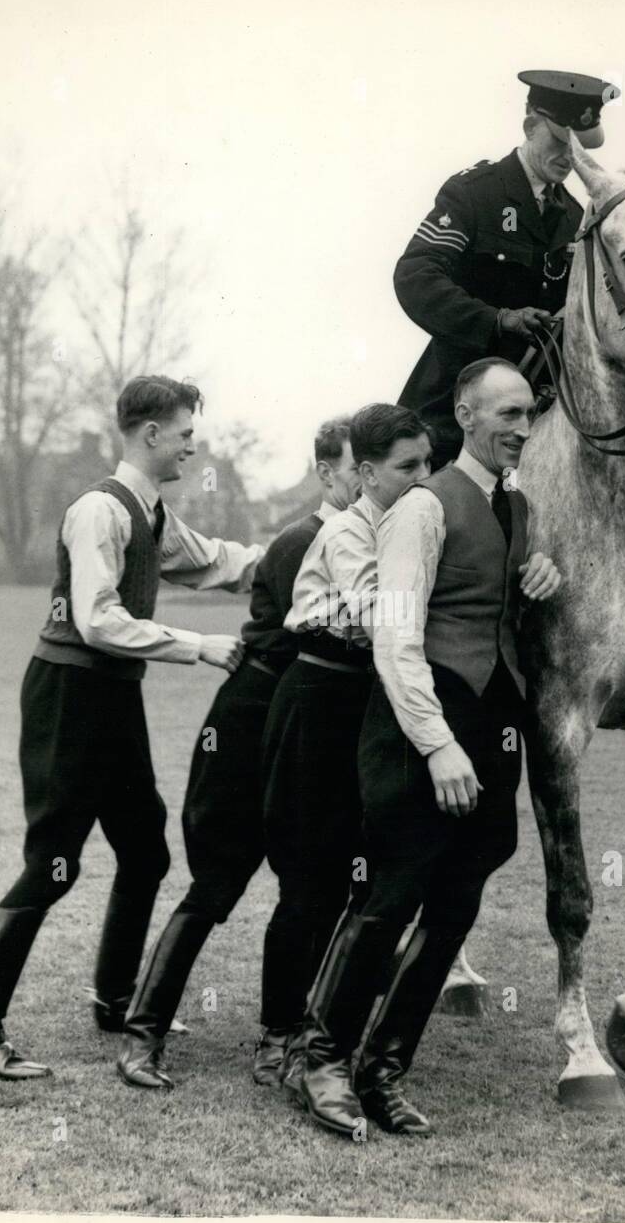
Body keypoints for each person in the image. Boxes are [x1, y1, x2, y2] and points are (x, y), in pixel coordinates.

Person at [0, 375, 262, 1080]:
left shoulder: (148, 513)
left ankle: (114, 999)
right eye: (185, 434)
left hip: (112, 696)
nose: (192, 447)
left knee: (145, 851)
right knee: (53, 863)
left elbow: (214, 562)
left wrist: (305, 550)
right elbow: (96, 619)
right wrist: (198, 645)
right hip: (70, 695)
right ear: (150, 435)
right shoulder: (100, 511)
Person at [393, 67, 625, 696]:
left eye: (580, 152)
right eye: (559, 146)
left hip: (551, 399)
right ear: (529, 126)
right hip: (460, 394)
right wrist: (494, 320)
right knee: (416, 493)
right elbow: (415, 277)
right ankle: (394, 639)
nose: (568, 161)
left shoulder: (578, 217)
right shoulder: (473, 194)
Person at [293, 360, 562, 1137]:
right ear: (466, 416)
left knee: (455, 904)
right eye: (506, 413)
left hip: (490, 721)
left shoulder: (519, 505)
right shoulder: (421, 506)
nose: (521, 426)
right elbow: (396, 639)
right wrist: (439, 746)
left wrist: (539, 572)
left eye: (529, 413)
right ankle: (321, 1060)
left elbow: (499, 609)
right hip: (423, 723)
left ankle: (383, 1068)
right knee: (390, 897)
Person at [116, 417, 360, 1089]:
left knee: (308, 890)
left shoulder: (360, 542)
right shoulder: (304, 543)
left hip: (305, 735)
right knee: (216, 887)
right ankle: (143, 1035)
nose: (366, 483)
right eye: (352, 469)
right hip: (249, 730)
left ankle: (280, 1035)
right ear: (328, 473)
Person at [251, 404, 435, 1086]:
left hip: (368, 707)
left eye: (428, 464)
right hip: (318, 703)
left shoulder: (410, 527)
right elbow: (376, 613)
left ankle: (320, 1025)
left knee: (361, 875)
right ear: (366, 473)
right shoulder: (347, 533)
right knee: (308, 882)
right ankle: (276, 1034)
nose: (423, 478)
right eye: (407, 467)